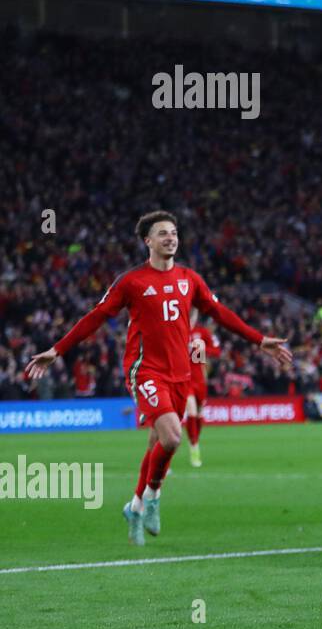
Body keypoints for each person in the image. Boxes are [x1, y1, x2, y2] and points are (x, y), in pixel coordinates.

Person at [25, 210, 293, 545]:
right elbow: (96, 316)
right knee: (171, 437)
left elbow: (219, 313)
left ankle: (135, 506)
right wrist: (58, 349)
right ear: (147, 241)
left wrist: (260, 339)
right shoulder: (131, 281)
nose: (171, 238)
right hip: (146, 371)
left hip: (181, 373)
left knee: (157, 444)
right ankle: (152, 497)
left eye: (174, 233)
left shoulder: (189, 278)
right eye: (163, 233)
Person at [184, 308, 220, 467]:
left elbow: (216, 351)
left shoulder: (202, 332)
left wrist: (203, 349)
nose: (193, 313)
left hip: (200, 379)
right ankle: (194, 447)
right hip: (184, 379)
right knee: (191, 410)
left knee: (198, 414)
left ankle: (194, 440)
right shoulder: (179, 330)